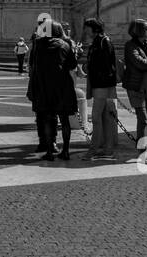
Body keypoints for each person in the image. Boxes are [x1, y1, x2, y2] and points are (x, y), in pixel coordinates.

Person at [27, 19, 78, 161]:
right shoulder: (65, 44)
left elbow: (34, 65)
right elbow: (72, 65)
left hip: (44, 86)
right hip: (62, 86)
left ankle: (49, 151)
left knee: (48, 119)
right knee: (65, 120)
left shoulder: (38, 44)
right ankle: (66, 151)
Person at [82, 19, 118, 161]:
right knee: (105, 118)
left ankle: (94, 149)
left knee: (96, 118)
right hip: (101, 84)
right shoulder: (98, 42)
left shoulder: (104, 42)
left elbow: (105, 65)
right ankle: (108, 149)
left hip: (103, 85)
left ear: (94, 29)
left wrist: (89, 67)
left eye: (87, 28)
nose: (85, 31)